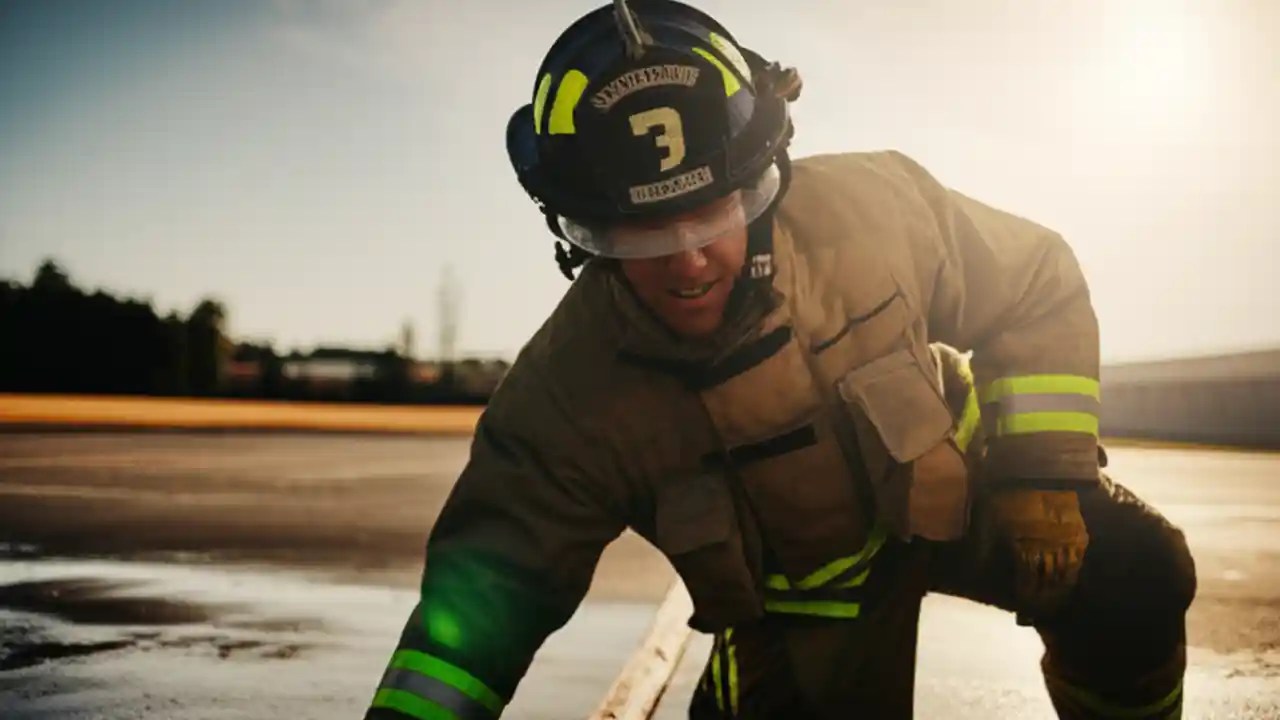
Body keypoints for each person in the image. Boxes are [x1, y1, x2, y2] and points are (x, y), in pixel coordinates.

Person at [364, 1, 1197, 718]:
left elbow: (1031, 283)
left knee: (1137, 576)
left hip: (974, 489)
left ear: (763, 170)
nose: (689, 263)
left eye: (712, 213)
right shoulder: (565, 398)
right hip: (810, 618)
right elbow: (480, 608)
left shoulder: (876, 211)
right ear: (577, 230)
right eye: (643, 234)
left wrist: (1041, 477)